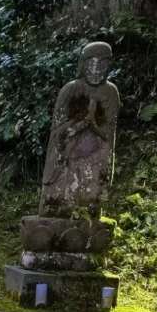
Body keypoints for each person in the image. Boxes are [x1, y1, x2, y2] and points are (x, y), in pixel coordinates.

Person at [40, 42, 119, 218]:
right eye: (91, 62)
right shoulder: (71, 88)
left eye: (103, 63)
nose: (96, 69)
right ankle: (56, 210)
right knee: (55, 207)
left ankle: (89, 210)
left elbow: (109, 135)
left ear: (110, 66)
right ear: (82, 64)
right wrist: (82, 122)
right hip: (68, 153)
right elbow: (57, 131)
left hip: (94, 154)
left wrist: (93, 124)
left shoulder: (110, 92)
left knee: (101, 157)